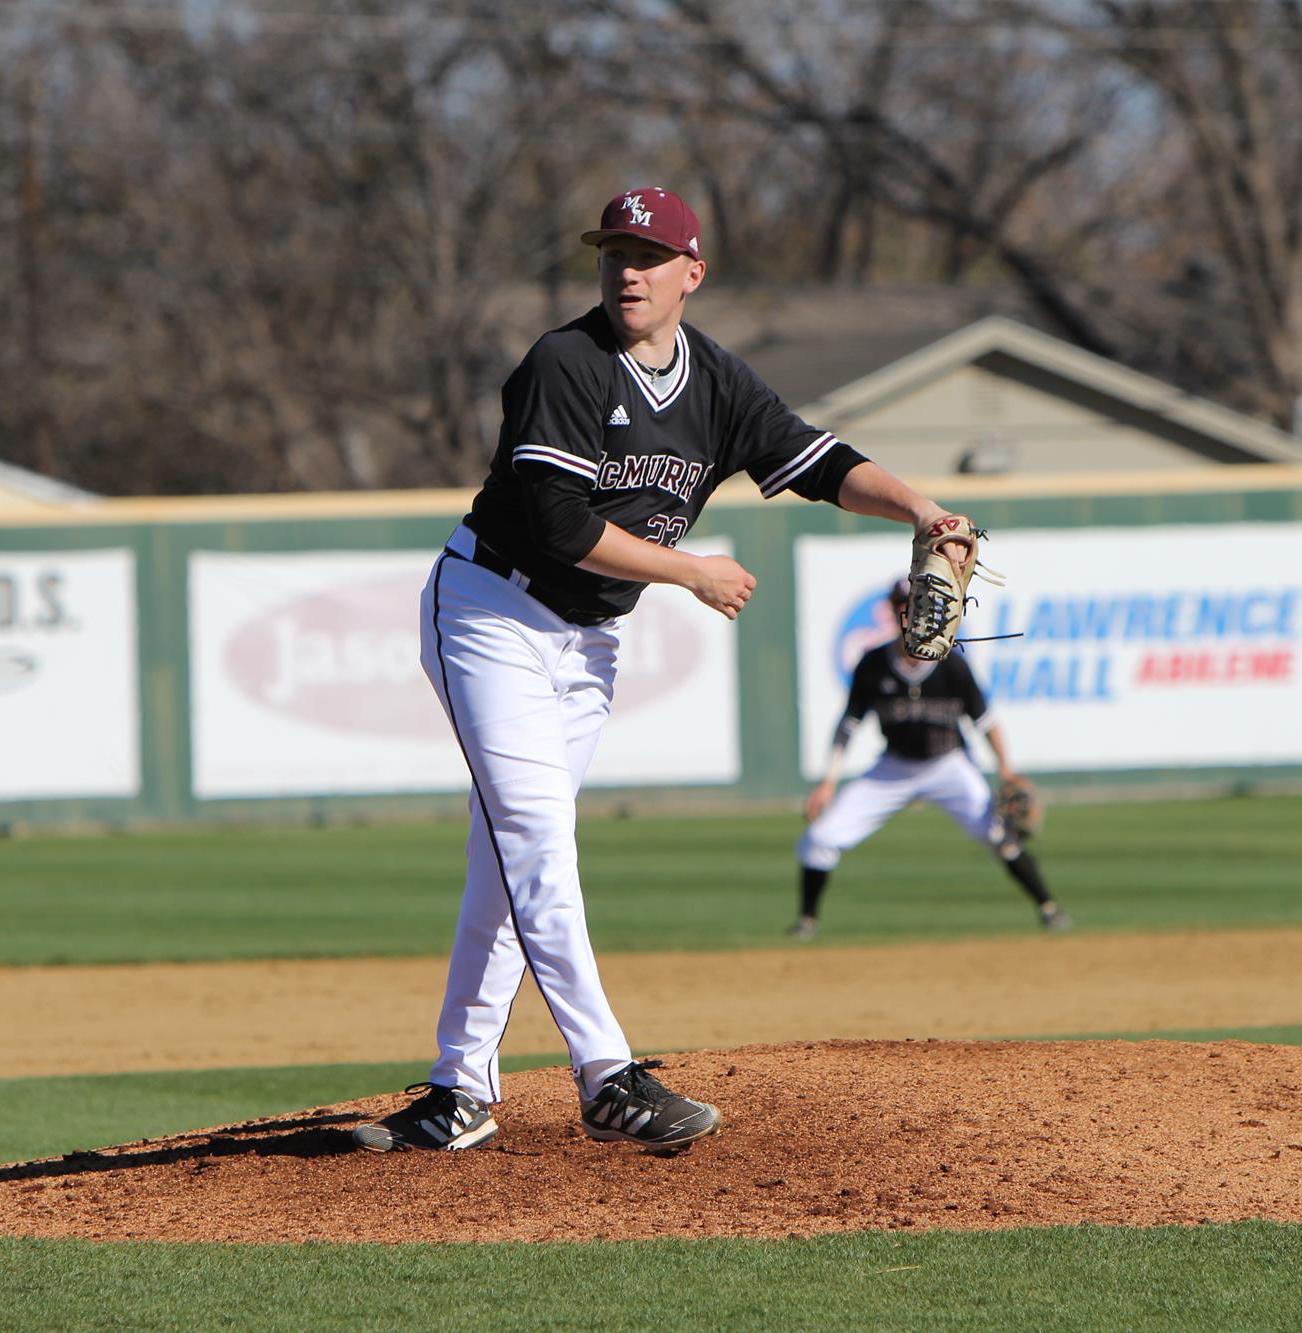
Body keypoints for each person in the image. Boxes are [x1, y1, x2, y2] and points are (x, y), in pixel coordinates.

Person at [351, 186, 976, 1153]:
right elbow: (558, 523)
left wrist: (922, 509)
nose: (627, 270)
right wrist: (689, 571)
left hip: (587, 638)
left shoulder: (716, 383)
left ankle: (459, 1088)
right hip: (491, 610)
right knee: (535, 840)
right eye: (613, 253)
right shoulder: (566, 362)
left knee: (513, 858)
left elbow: (817, 460)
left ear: (692, 273)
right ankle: (607, 1078)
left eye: (648, 254)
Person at [788, 578, 1070, 941]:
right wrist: (829, 781)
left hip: (947, 764)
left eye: (914, 607)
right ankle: (807, 920)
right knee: (821, 838)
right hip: (894, 767)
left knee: (1001, 835)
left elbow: (987, 722)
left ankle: (1049, 908)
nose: (907, 614)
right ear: (892, 612)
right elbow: (848, 725)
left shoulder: (951, 665)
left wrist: (1006, 770)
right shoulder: (873, 664)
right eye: (900, 607)